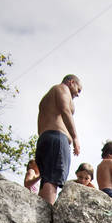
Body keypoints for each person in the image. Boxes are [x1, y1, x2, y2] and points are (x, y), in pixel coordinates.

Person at [35, 74, 82, 205]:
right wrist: (75, 137)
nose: (78, 94)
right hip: (57, 139)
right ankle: (46, 216)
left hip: (44, 139)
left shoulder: (48, 97)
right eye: (78, 90)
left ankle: (41, 212)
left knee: (46, 180)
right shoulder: (62, 89)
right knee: (52, 180)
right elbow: (65, 109)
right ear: (71, 82)